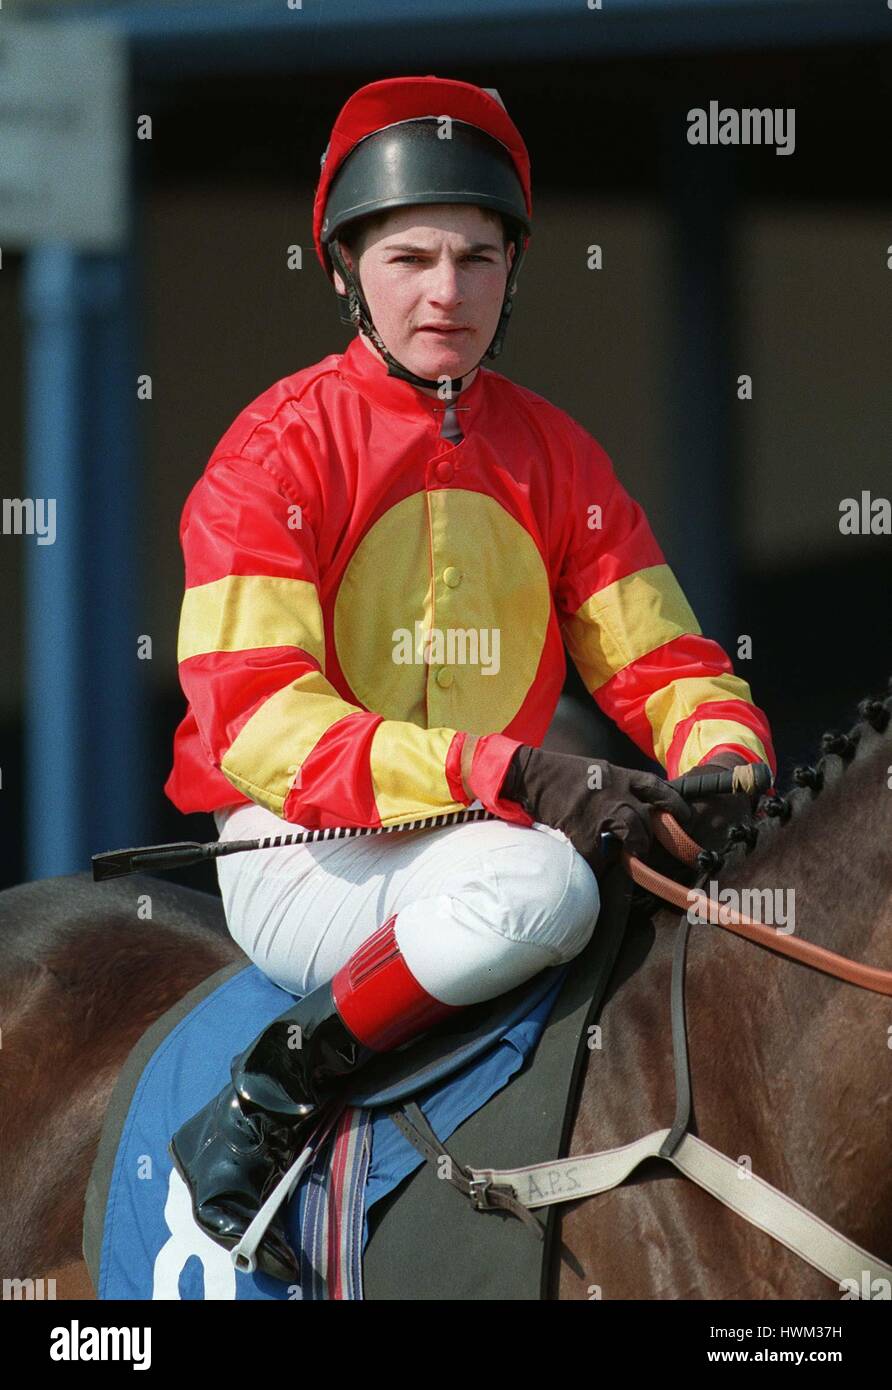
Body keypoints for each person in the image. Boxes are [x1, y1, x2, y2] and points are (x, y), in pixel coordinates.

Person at [163, 75, 775, 1283]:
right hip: (301, 851)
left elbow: (666, 659)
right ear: (346, 270)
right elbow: (265, 725)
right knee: (550, 881)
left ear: (513, 268)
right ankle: (274, 1089)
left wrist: (721, 762)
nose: (446, 293)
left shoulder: (556, 455)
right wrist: (518, 771)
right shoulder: (270, 454)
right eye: (410, 257)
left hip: (480, 836)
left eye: (478, 258)